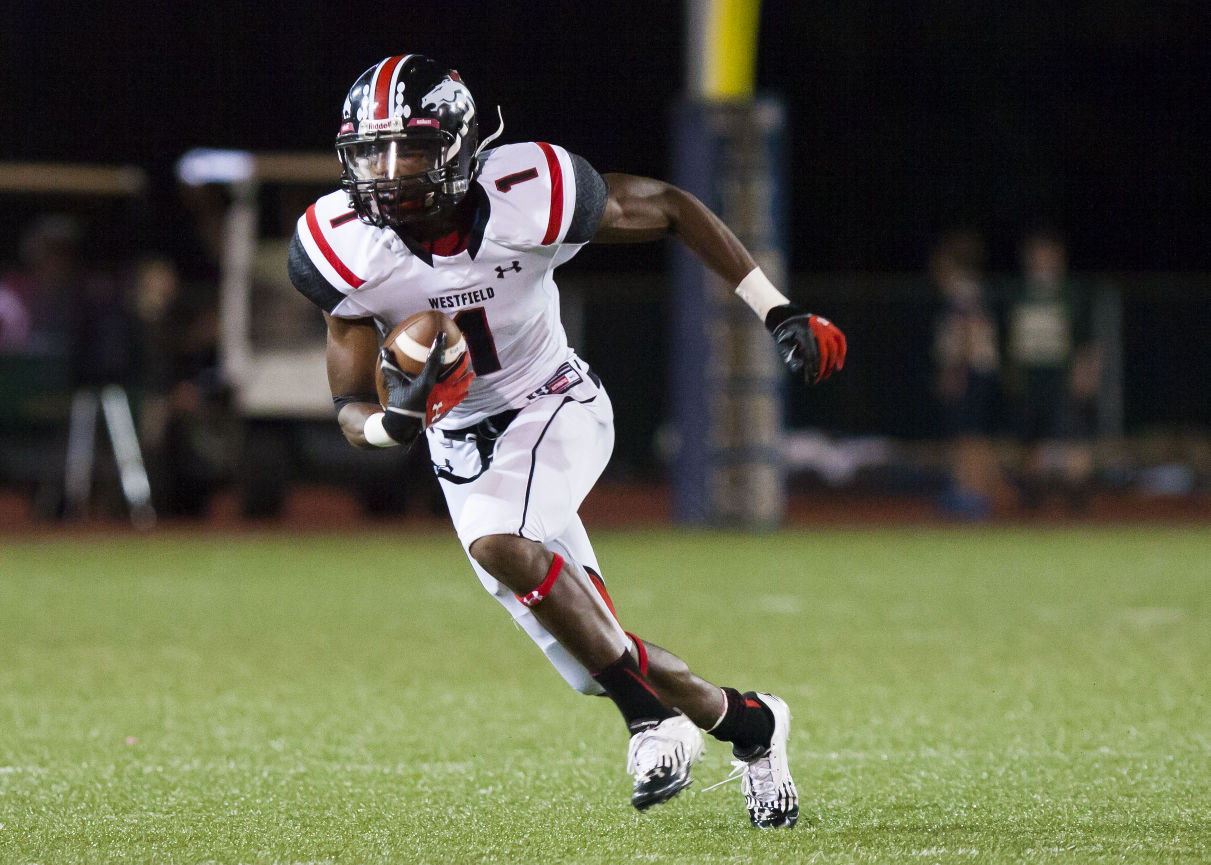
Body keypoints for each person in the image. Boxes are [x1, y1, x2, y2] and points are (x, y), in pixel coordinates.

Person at [287, 55, 845, 827]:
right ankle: (748, 722)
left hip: (552, 401)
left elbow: (674, 207)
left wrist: (775, 308)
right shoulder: (339, 244)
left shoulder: (530, 192)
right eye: (371, 153)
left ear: (457, 146)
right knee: (597, 659)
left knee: (501, 544)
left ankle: (649, 721)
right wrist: (397, 421)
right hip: (459, 442)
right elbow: (351, 407)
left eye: (410, 149)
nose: (388, 174)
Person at [1005, 227, 1101, 509]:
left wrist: (1086, 373)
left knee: (1071, 435)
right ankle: (1032, 497)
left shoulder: (1070, 293)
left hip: (1062, 376)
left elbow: (1087, 341)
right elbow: (1010, 340)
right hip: (1030, 378)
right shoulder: (1018, 293)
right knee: (1030, 438)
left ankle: (1079, 498)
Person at [928, 228, 1008, 519]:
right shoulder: (974, 288)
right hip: (980, 369)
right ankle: (979, 489)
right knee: (971, 434)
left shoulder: (962, 289)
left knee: (967, 435)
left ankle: (974, 493)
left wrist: (955, 371)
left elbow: (966, 331)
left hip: (970, 370)